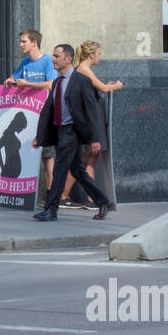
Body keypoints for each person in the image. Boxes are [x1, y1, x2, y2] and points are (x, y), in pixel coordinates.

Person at [32, 53, 114, 222]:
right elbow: (49, 111)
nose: (53, 59)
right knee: (77, 170)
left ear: (68, 59)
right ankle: (103, 201)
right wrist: (40, 136)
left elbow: (91, 110)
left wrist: (94, 137)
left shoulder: (81, 80)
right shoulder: (57, 82)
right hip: (60, 131)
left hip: (72, 132)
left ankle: (51, 210)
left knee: (59, 169)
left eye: (57, 55)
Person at [58, 41, 122, 209]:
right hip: (89, 123)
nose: (100, 57)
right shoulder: (83, 70)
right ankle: (62, 196)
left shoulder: (84, 70)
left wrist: (107, 86)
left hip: (93, 121)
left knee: (91, 159)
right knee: (83, 160)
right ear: (91, 55)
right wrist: (118, 85)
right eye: (99, 54)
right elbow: (102, 88)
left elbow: (98, 87)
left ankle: (92, 199)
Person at [4, 29, 59, 194]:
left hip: (45, 113)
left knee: (47, 156)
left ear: (34, 43)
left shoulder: (48, 61)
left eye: (24, 41)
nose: (20, 45)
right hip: (27, 114)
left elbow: (51, 84)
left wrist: (27, 84)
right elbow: (14, 78)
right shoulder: (25, 62)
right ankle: (27, 193)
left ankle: (51, 194)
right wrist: (9, 81)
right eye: (20, 41)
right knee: (29, 152)